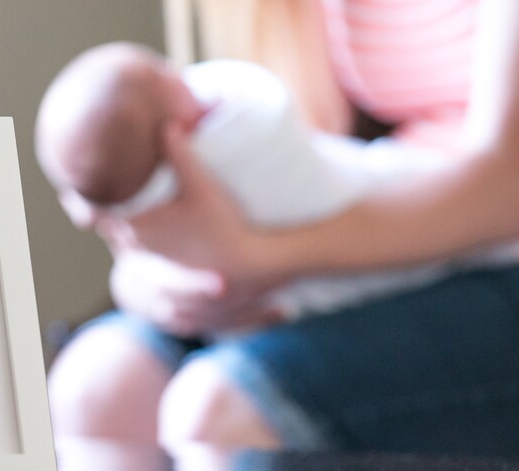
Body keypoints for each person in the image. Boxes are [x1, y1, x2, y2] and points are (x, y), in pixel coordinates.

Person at [46, 0, 519, 471]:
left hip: (495, 246)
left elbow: (504, 191)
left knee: (217, 411)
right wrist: (156, 279)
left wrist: (256, 258)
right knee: (97, 389)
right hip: (396, 236)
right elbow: (304, 166)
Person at [36, 40, 447, 322]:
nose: (190, 78)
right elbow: (266, 104)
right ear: (172, 132)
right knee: (91, 379)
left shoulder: (131, 191)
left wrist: (247, 254)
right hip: (280, 285)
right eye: (169, 79)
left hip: (416, 222)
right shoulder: (236, 135)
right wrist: (141, 281)